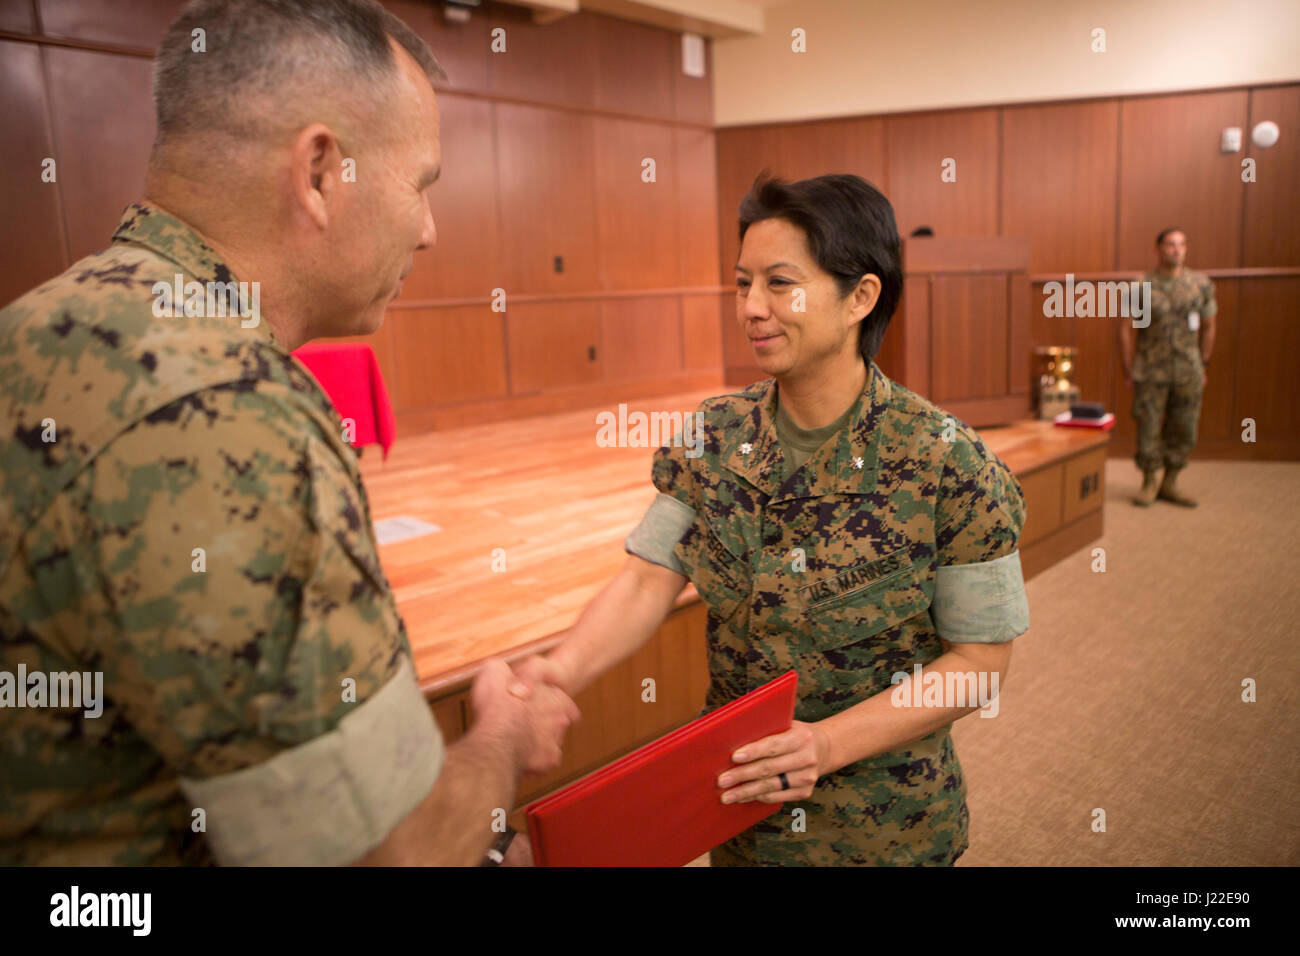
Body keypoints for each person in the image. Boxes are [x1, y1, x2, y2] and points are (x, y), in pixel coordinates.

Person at [0, 0, 577, 867]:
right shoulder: (234, 413)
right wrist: (502, 737)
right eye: (420, 183)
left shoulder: (32, 326)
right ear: (320, 172)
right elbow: (392, 856)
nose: (430, 228)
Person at [515, 174, 1031, 866]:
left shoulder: (949, 465)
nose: (752, 308)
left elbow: (981, 662)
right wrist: (555, 675)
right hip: (740, 816)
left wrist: (827, 745)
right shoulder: (713, 438)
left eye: (780, 283)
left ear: (861, 297)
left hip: (882, 831)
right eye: (741, 283)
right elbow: (646, 582)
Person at [1118, 228, 1217, 507]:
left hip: (1188, 370)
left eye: (1182, 244)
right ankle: (1149, 481)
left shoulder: (1200, 285)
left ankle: (1170, 482)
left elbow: (1209, 326)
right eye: (1171, 244)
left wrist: (1204, 363)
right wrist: (1128, 368)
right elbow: (1125, 329)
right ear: (1158, 249)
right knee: (1147, 426)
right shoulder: (1141, 287)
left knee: (1185, 427)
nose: (1177, 250)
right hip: (1150, 370)